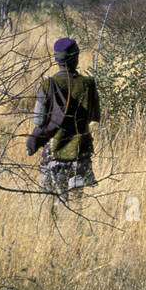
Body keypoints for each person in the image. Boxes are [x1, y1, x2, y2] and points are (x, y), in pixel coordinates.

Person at [26, 36, 100, 198]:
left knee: (48, 202)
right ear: (76, 57)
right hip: (80, 152)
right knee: (76, 203)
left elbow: (38, 120)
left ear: (56, 59)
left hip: (53, 154)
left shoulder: (48, 85)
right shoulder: (88, 84)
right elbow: (94, 116)